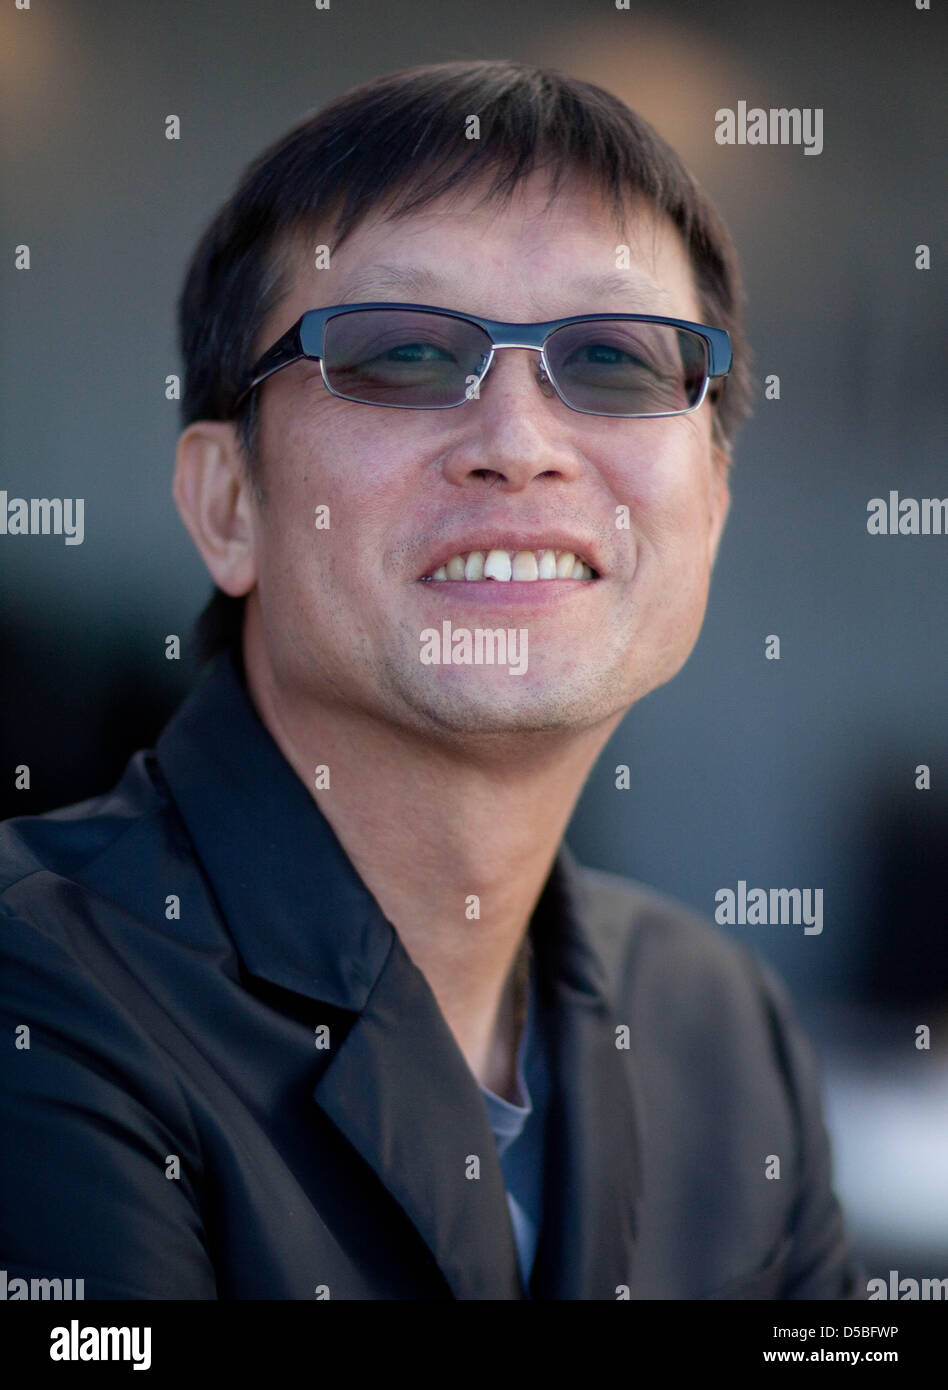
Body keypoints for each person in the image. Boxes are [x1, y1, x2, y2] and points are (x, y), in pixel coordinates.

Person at [0, 59, 864, 1300]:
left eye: (615, 359)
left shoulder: (723, 1032)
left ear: (713, 512)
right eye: (403, 353)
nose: (518, 446)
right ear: (228, 504)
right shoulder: (44, 987)